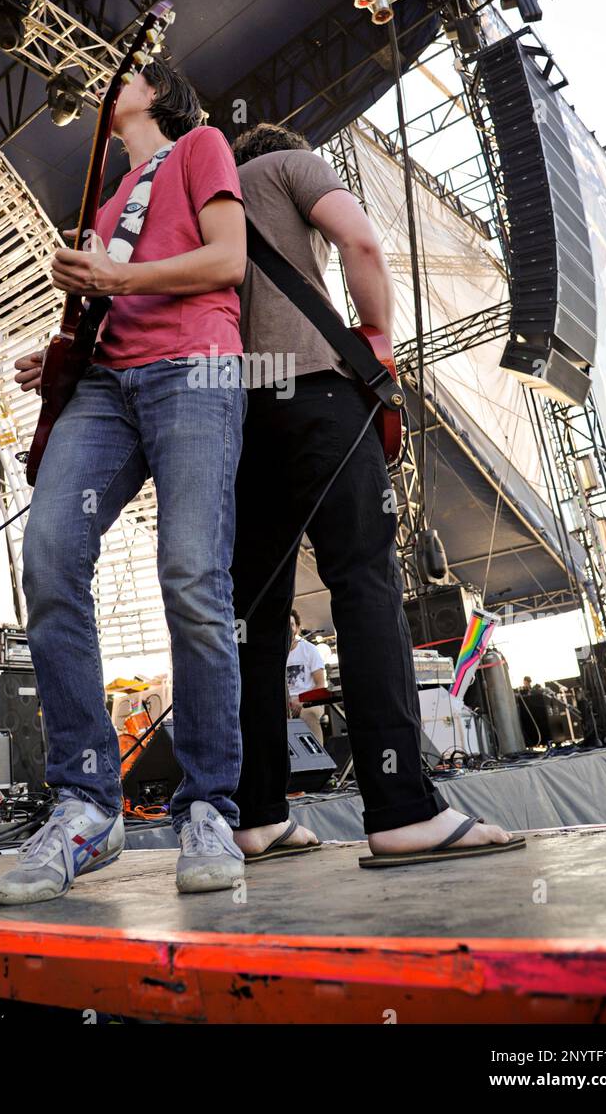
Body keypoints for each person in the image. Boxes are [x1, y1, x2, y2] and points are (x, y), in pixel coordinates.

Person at [230, 123, 524, 867]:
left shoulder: (209, 192)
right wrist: (377, 337)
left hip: (236, 413)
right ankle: (399, 809)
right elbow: (360, 243)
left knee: (255, 619)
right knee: (364, 585)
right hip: (319, 398)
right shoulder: (293, 164)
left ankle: (257, 814)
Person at [0, 61, 248, 904]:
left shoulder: (201, 145)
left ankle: (208, 805)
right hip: (108, 384)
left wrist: (118, 279)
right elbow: (103, 309)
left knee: (190, 576)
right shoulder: (103, 204)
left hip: (195, 369)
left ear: (163, 94)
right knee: (51, 555)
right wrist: (61, 353)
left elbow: (229, 260)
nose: (112, 83)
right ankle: (87, 805)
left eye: (130, 73)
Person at [286, 609, 327, 744]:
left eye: (291, 624)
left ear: (297, 628)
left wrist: (301, 700)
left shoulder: (309, 650)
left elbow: (320, 685)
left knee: (307, 715)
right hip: (287, 704)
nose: (288, 628)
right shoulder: (276, 656)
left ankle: (318, 760)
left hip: (309, 701)